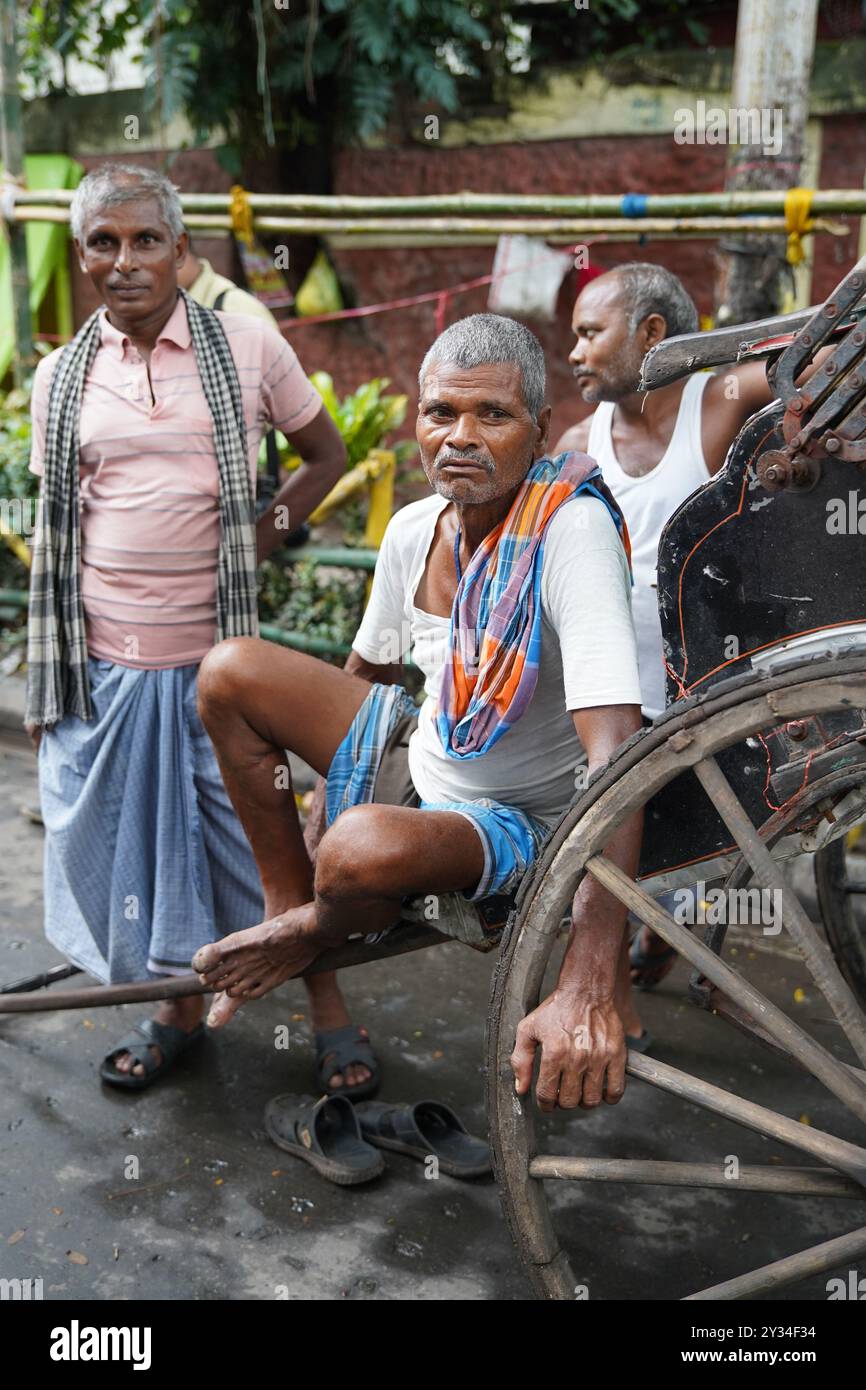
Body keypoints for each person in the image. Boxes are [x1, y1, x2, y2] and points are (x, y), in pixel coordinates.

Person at [191, 312, 651, 1114]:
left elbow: (618, 757)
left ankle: (317, 928)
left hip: (511, 823)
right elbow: (366, 678)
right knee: (230, 670)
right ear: (418, 421)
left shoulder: (570, 531)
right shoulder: (414, 528)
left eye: (493, 416)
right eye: (442, 412)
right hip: (421, 751)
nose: (460, 437)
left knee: (357, 849)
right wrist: (319, 796)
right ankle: (283, 901)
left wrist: (591, 974)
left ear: (539, 429)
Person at [25, 162, 379, 1096]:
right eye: (105, 241)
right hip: (105, 665)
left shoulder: (246, 349)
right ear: (84, 255)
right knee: (142, 849)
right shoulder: (60, 378)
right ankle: (176, 1009)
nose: (127, 260)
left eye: (148, 240)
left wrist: (264, 535)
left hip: (224, 673)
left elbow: (325, 453)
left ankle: (330, 1014)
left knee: (263, 849)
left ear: (182, 252)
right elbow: (60, 526)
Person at [555, 261, 826, 988]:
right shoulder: (581, 441)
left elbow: (820, 357)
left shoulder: (718, 400)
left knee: (687, 829)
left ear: (650, 334)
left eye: (589, 333)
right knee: (621, 829)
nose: (574, 352)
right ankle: (642, 952)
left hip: (707, 673)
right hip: (612, 678)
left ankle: (661, 939)